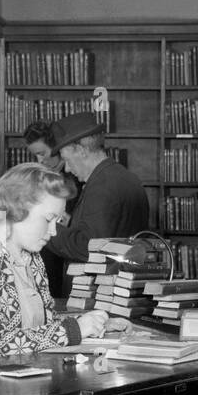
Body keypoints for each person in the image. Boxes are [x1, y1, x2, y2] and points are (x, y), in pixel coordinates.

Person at [0, 163, 108, 363]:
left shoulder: (32, 259)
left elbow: (43, 326)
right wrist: (74, 330)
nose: (53, 232)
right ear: (17, 209)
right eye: (48, 219)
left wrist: (91, 324)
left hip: (19, 380)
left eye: (58, 222)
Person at [44, 111, 150, 293]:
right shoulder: (124, 177)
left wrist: (44, 226)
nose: (67, 168)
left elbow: (88, 247)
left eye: (67, 160)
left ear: (81, 150)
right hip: (120, 291)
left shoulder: (103, 185)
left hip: (98, 295)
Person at [23, 120, 71, 296]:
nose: (40, 160)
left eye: (42, 153)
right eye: (36, 155)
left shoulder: (74, 178)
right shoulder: (41, 176)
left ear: (56, 147)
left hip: (62, 253)